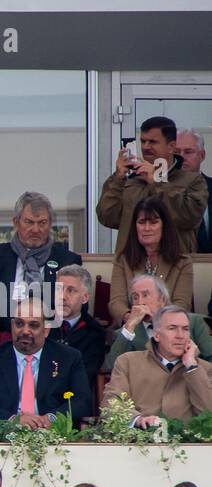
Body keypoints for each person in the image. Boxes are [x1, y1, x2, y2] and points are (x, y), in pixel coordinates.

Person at [0, 191, 84, 348]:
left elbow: (78, 308)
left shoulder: (68, 261)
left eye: (42, 223)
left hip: (51, 342)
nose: (36, 229)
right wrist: (14, 314)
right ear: (16, 222)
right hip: (2, 340)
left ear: (50, 223)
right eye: (29, 222)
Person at [0, 298, 93, 428]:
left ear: (46, 330)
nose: (25, 331)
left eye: (33, 325)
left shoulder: (68, 357)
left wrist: (51, 418)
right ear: (12, 325)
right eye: (19, 324)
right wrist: (11, 420)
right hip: (2, 435)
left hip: (52, 433)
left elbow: (82, 401)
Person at [97, 115, 208, 255]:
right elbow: (107, 218)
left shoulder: (192, 180)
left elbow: (187, 217)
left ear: (171, 146)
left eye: (153, 142)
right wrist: (118, 178)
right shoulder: (131, 180)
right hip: (131, 265)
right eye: (143, 141)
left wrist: (156, 181)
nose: (146, 147)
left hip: (173, 267)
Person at [106, 308, 212, 427]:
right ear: (156, 335)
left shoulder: (205, 369)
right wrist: (138, 420)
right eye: (172, 328)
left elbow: (209, 414)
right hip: (139, 441)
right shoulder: (128, 362)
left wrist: (192, 368)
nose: (180, 336)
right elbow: (112, 402)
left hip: (188, 443)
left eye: (185, 329)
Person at [108, 198, 195, 324]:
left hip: (168, 328)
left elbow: (181, 304)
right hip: (132, 327)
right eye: (141, 222)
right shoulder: (123, 260)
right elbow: (116, 302)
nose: (147, 228)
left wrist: (157, 321)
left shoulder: (183, 262)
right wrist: (132, 319)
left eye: (153, 222)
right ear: (135, 227)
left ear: (164, 226)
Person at [105, 274, 212, 371]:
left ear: (163, 299)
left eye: (145, 295)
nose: (140, 302)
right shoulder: (126, 334)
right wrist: (129, 326)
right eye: (135, 297)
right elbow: (110, 368)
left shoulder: (196, 323)